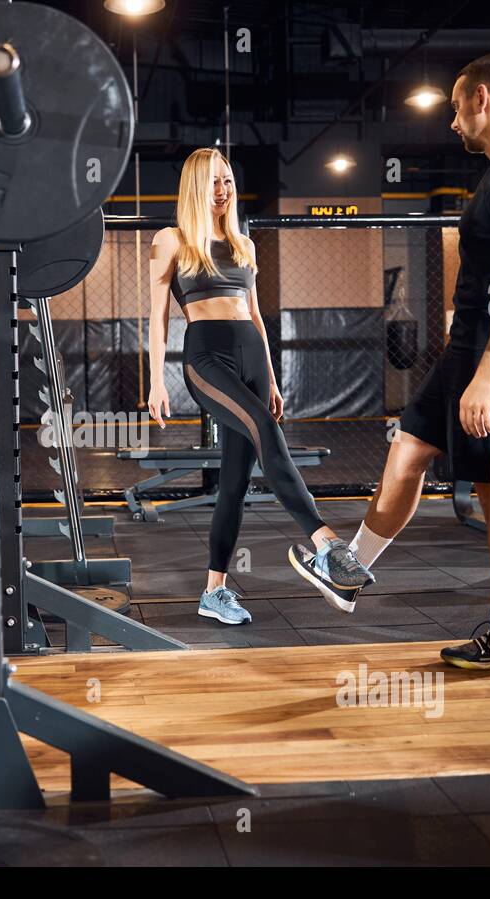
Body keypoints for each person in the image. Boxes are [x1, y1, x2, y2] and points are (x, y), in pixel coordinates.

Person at [346, 54, 490, 669]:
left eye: (453, 107)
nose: (451, 122)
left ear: (480, 99)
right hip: (470, 345)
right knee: (409, 447)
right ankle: (351, 568)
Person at [146, 147, 374, 624]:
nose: (222, 189)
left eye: (227, 180)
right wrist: (155, 381)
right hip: (207, 355)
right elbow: (156, 318)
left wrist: (269, 376)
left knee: (233, 484)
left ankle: (214, 591)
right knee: (267, 434)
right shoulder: (170, 240)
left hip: (250, 353)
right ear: (194, 186)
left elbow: (255, 315)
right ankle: (325, 544)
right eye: (213, 181)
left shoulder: (242, 241)